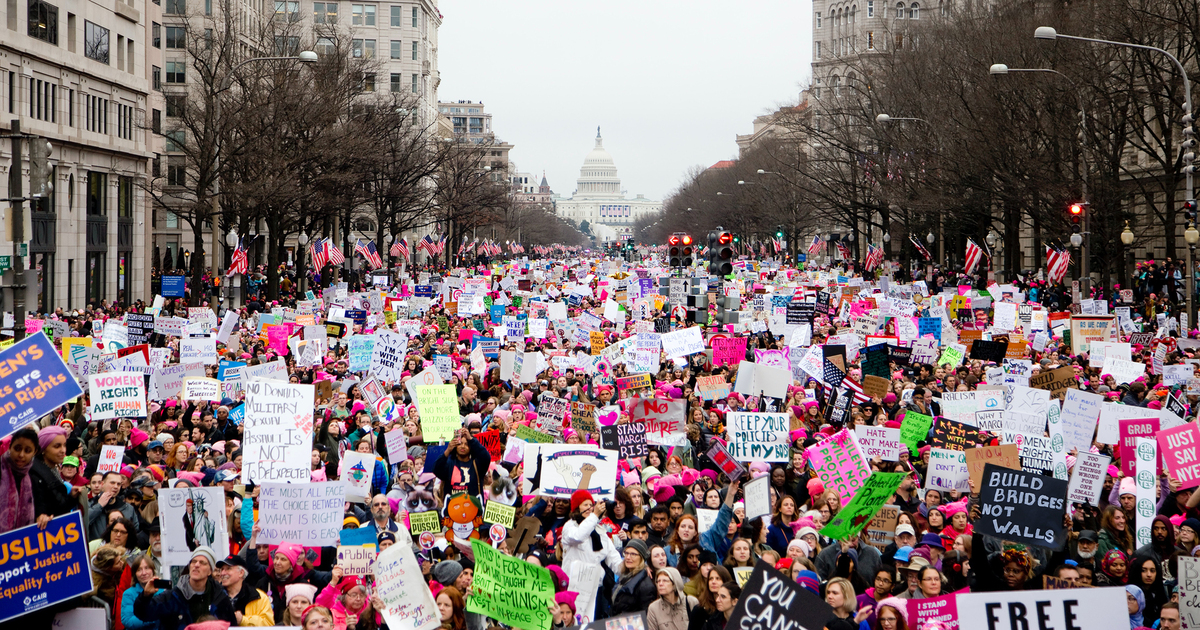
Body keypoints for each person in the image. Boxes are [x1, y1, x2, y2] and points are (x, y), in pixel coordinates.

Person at [134, 546, 237, 630]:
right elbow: (143, 614)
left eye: (202, 563)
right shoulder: (173, 596)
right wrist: (145, 596)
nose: (196, 565)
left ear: (210, 571)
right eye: (193, 561)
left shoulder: (219, 597)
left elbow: (231, 626)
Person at [0, 428, 40, 531]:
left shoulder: (34, 476)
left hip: (20, 542)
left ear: (34, 452)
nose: (21, 455)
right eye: (17, 448)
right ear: (10, 447)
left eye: (27, 451)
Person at [216, 554, 274, 626]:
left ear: (241, 573)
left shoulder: (259, 597)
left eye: (228, 568)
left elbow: (269, 625)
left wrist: (243, 620)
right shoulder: (215, 595)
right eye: (222, 569)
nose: (223, 573)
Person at [611, 539, 657, 615]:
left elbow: (646, 615)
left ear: (641, 558)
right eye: (626, 553)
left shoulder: (645, 585)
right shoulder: (625, 576)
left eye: (633, 554)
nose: (628, 557)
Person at [122, 553, 161, 630]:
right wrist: (154, 617)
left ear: (152, 570)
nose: (143, 573)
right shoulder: (129, 594)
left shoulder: (163, 591)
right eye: (139, 570)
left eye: (146, 568)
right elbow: (128, 621)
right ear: (135, 574)